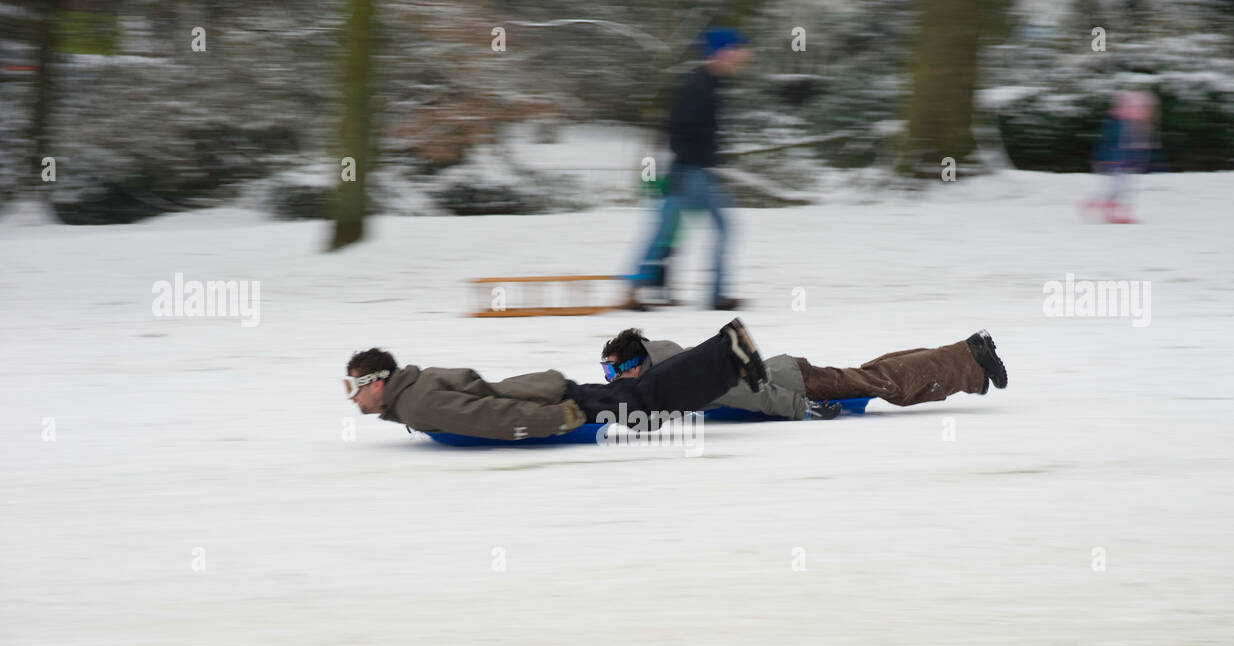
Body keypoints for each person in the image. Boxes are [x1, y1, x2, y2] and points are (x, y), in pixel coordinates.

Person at [346, 319, 768, 441]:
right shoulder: (414, 388)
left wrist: (560, 419)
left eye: (354, 387)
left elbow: (489, 415)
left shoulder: (418, 404)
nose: (351, 398)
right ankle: (727, 352)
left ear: (378, 381)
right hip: (546, 390)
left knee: (643, 407)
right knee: (638, 398)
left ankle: (728, 352)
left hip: (549, 404)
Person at [598, 328, 1008, 420]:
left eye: (613, 370)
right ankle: (966, 362)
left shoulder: (669, 376)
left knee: (884, 383)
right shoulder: (666, 367)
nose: (609, 379)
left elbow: (743, 390)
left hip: (790, 382)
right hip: (787, 373)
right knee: (873, 375)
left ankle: (971, 357)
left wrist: (803, 408)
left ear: (635, 363)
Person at [628, 27, 750, 311]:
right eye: (737, 50)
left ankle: (635, 288)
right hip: (692, 171)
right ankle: (716, 294)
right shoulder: (699, 87)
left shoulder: (708, 84)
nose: (743, 56)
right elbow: (677, 130)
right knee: (720, 228)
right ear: (721, 52)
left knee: (664, 232)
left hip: (691, 170)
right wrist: (692, 162)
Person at [1088, 90, 1162, 224]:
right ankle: (1104, 211)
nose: (1145, 111)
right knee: (1117, 189)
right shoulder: (1117, 122)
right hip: (1114, 161)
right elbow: (1113, 143)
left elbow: (1134, 144)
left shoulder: (1128, 123)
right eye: (1140, 107)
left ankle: (1110, 211)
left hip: (1123, 162)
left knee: (1124, 188)